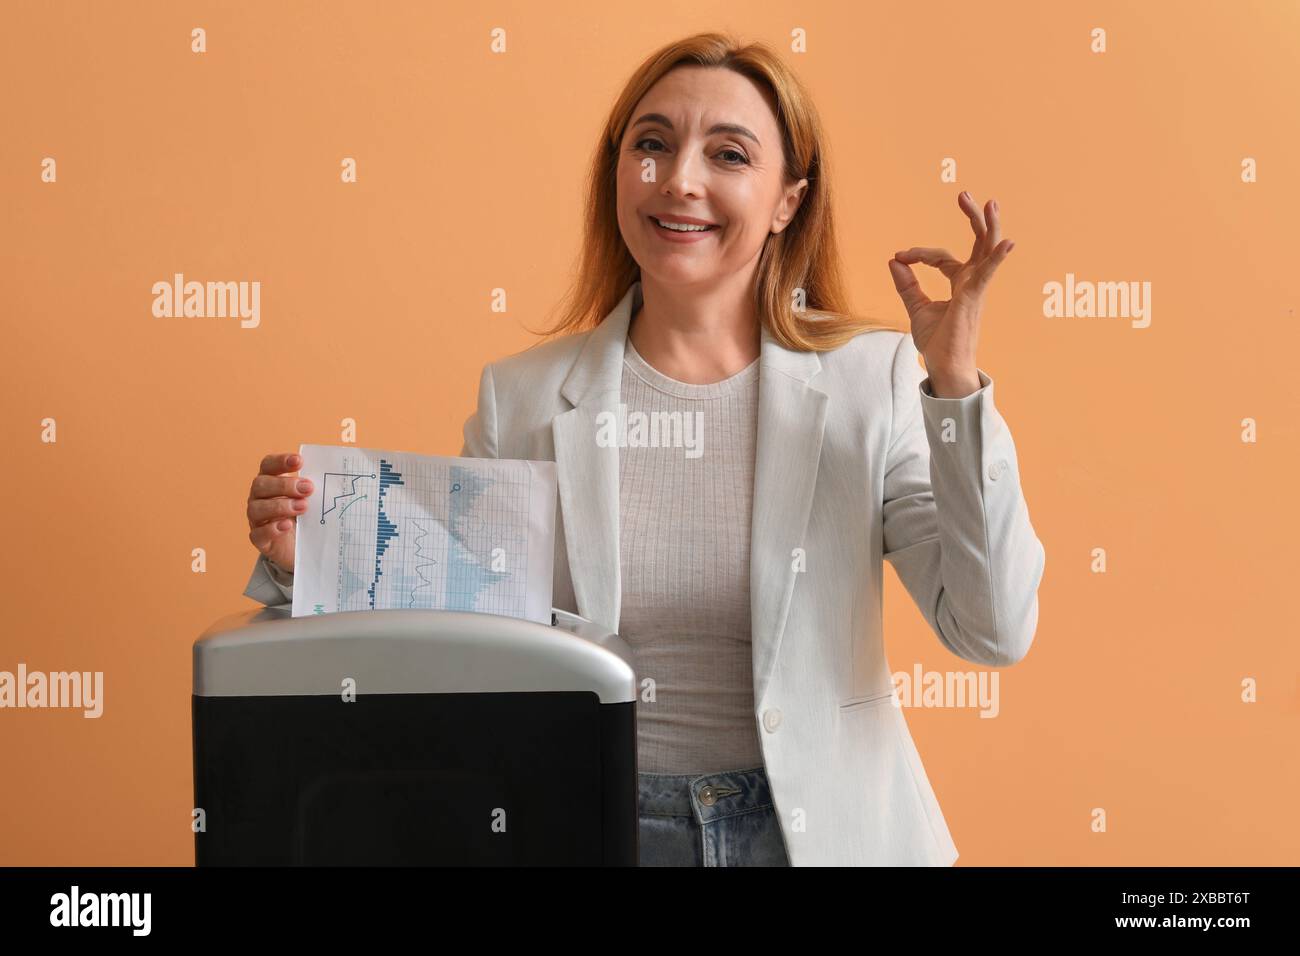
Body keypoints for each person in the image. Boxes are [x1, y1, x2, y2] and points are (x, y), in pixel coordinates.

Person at [243, 32, 1045, 867]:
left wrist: (954, 384)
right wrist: (309, 559)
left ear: (787, 201)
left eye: (728, 153)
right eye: (651, 144)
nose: (679, 179)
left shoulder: (866, 380)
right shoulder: (519, 399)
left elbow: (991, 630)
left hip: (831, 838)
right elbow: (459, 632)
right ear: (617, 171)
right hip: (598, 827)